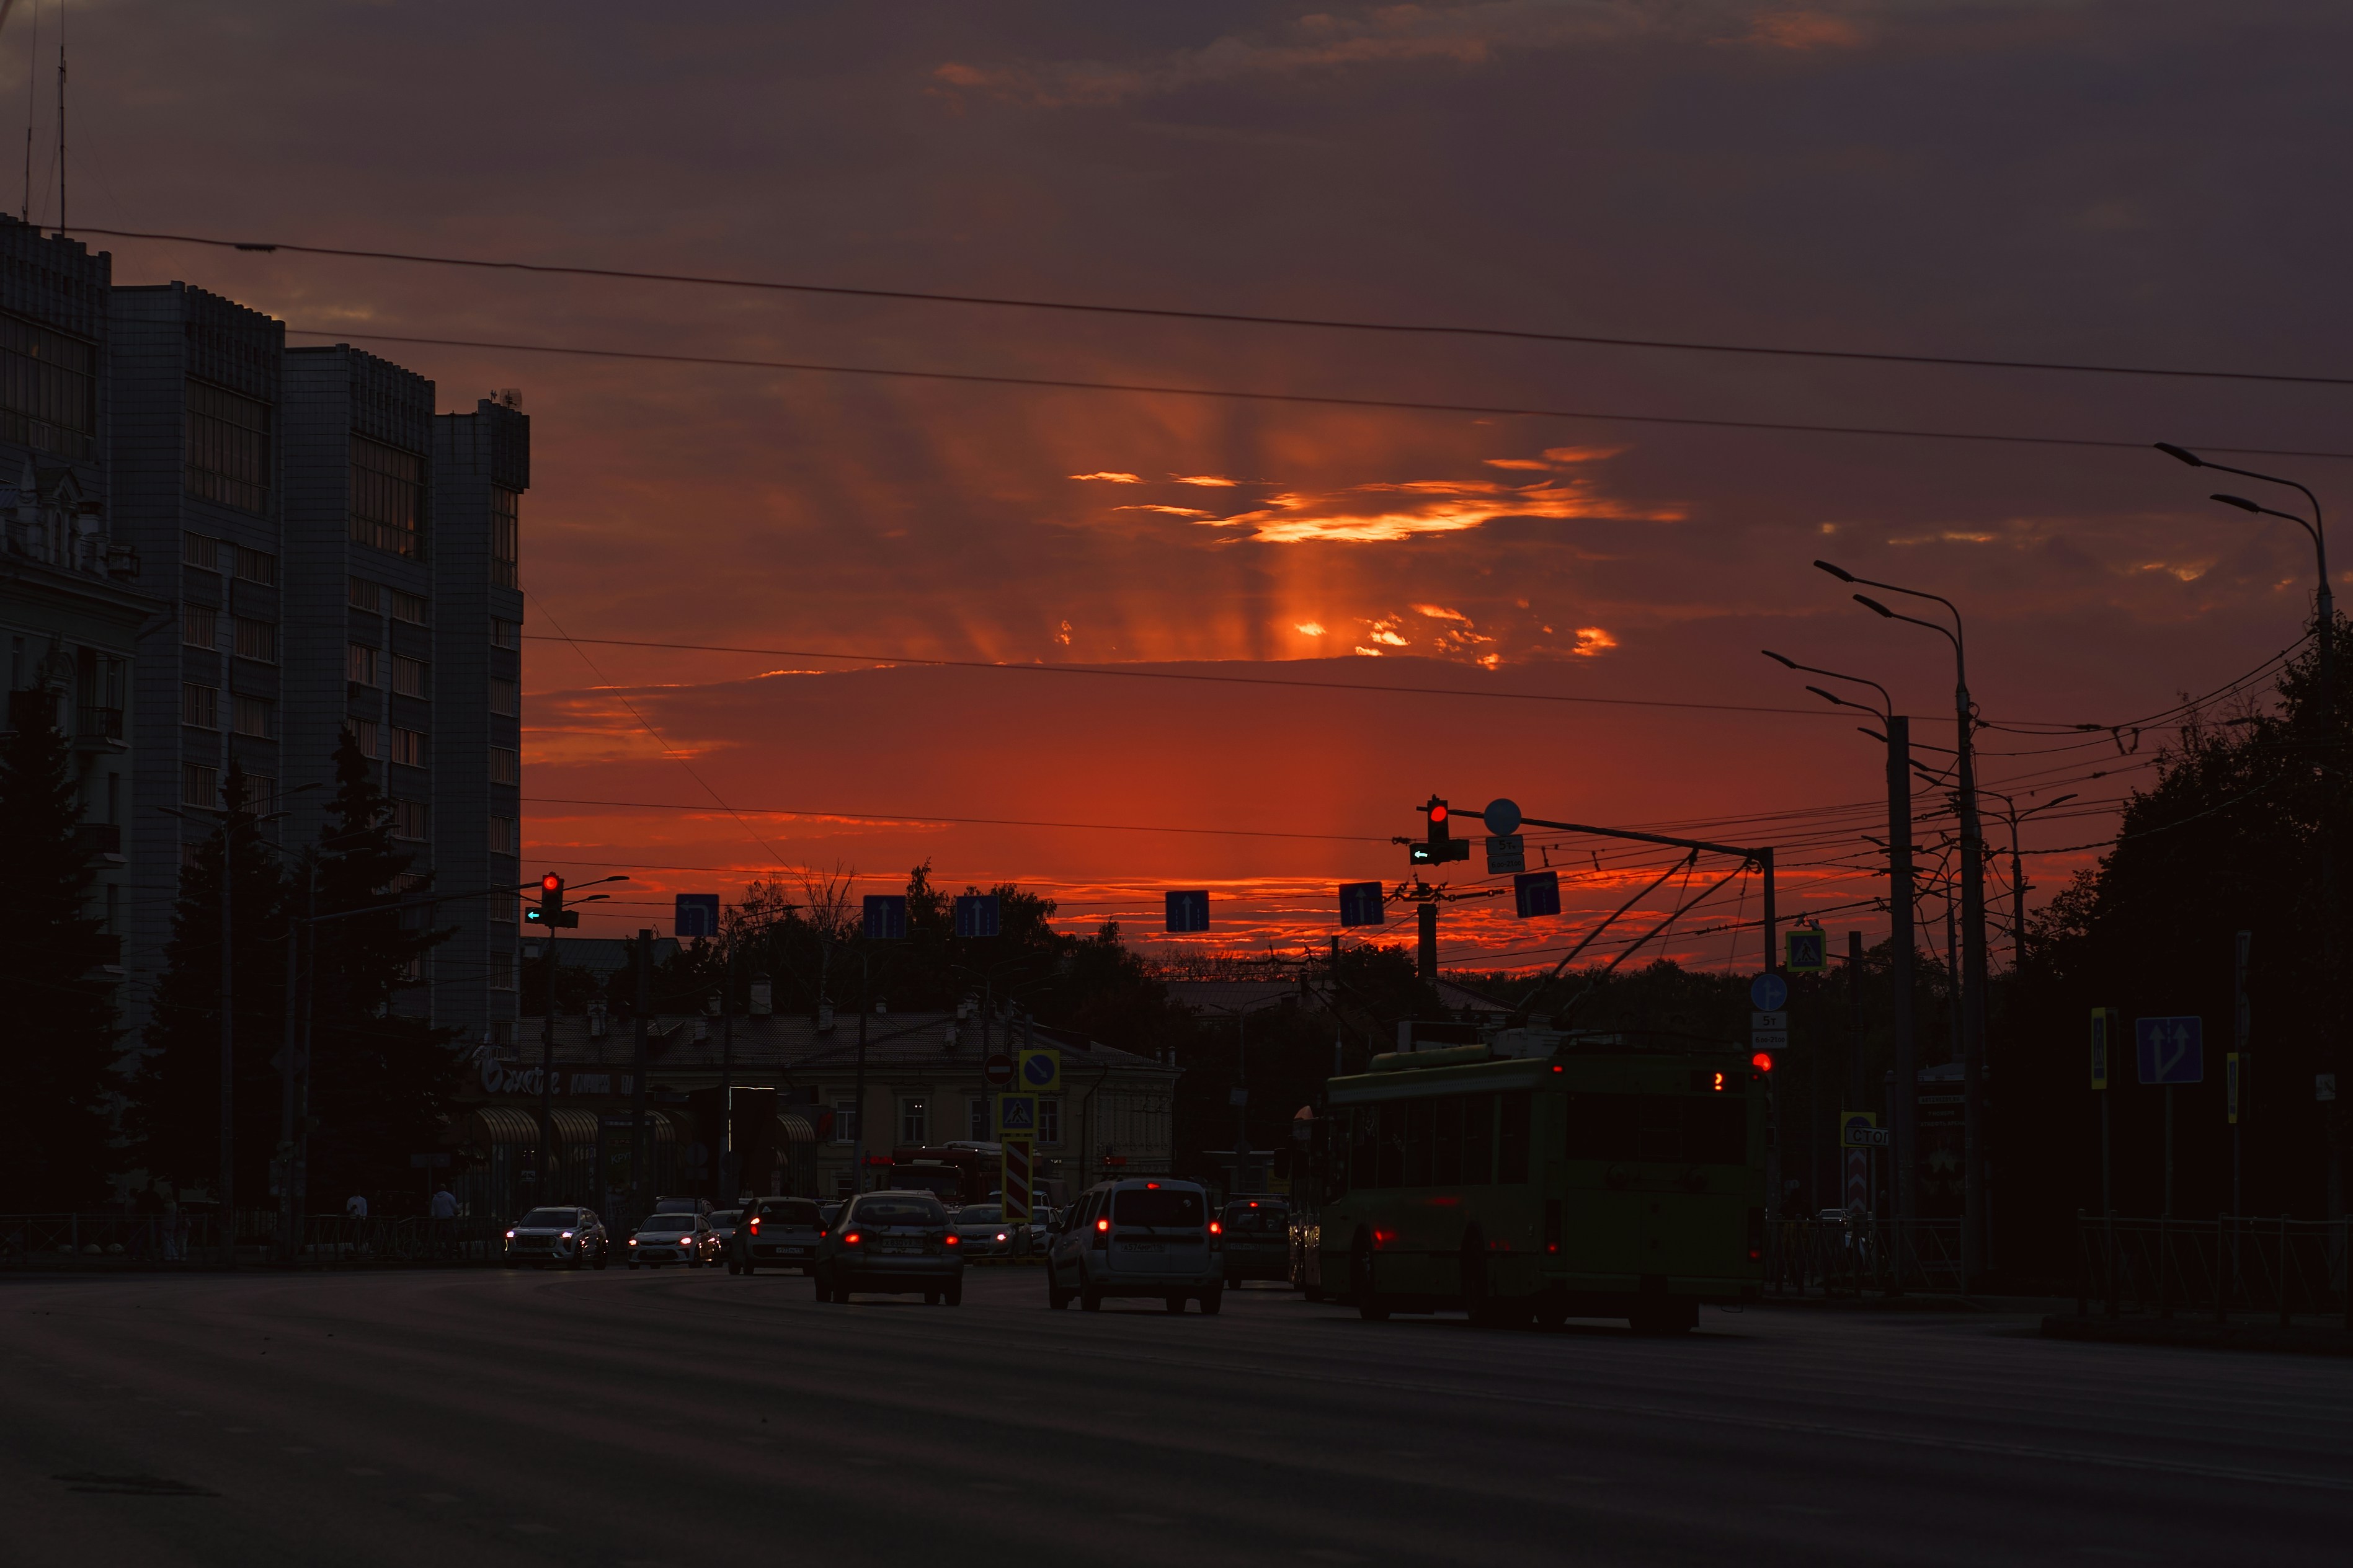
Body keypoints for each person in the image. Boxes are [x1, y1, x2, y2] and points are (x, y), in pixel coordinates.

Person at [429, 1185, 458, 1259]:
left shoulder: (435, 1198)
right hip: (449, 1218)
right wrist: (456, 1212)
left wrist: (434, 1217)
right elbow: (455, 1207)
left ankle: (444, 1245)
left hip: (440, 1219)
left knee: (442, 1233)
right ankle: (451, 1247)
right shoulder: (449, 1196)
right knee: (452, 1233)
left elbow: (433, 1210)